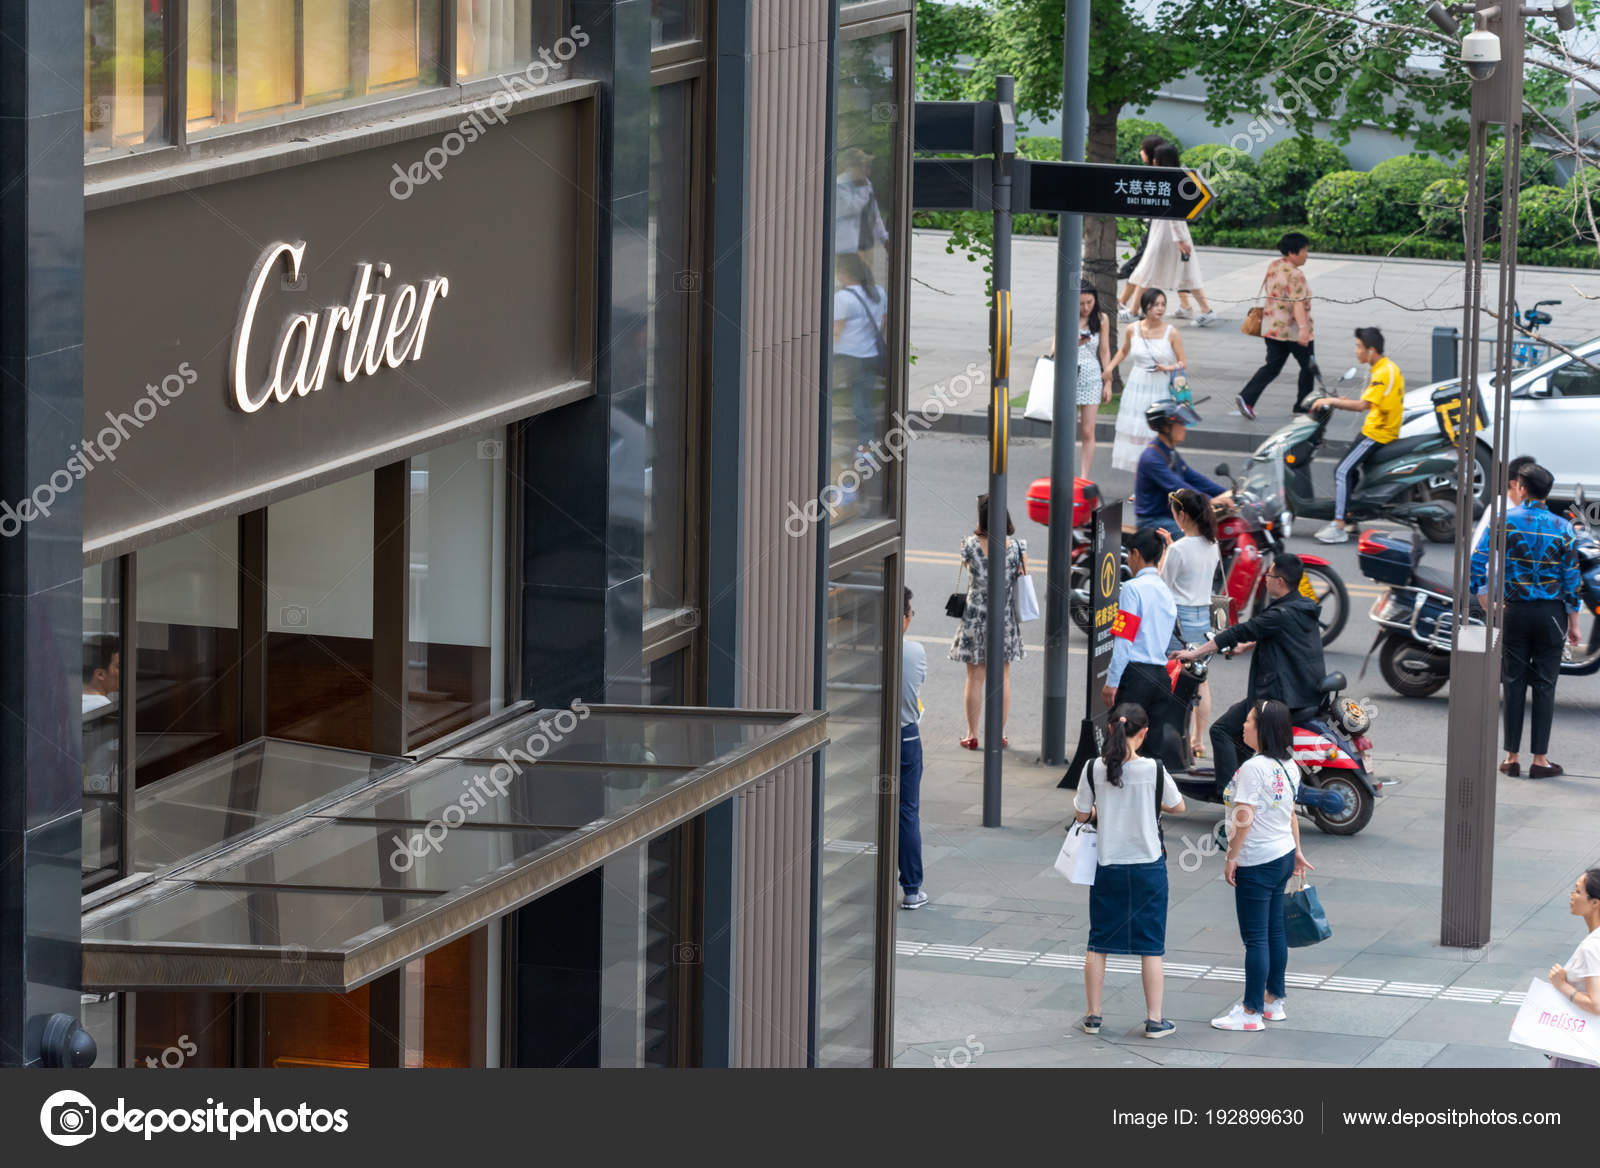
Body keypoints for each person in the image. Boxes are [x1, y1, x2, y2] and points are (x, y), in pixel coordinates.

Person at [1074, 703, 1186, 1039]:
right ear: (1144, 732)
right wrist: (1148, 801)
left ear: (1110, 729)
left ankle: (1093, 1017)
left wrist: (1100, 810)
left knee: (1098, 943)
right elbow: (1179, 806)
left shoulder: (1093, 768)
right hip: (1148, 867)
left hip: (1108, 865)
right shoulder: (1154, 769)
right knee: (1151, 946)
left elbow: (1081, 814)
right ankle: (1154, 1019)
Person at [1173, 553, 1326, 791]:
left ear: (1281, 582)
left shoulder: (1279, 614)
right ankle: (1246, 782)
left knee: (1221, 730)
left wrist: (1194, 654)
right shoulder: (1302, 607)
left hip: (1279, 696)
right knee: (1240, 731)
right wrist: (1249, 645)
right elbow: (1282, 636)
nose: (1266, 579)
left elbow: (1238, 631)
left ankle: (1229, 796)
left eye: (1270, 575)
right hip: (1303, 691)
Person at [1470, 461, 1582, 779]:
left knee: (1513, 682)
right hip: (1551, 614)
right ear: (1547, 493)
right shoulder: (1563, 528)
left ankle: (1511, 757)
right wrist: (1573, 624)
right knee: (1545, 686)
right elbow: (1571, 580)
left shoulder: (1503, 521)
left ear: (1521, 488)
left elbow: (1478, 562)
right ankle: (1540, 760)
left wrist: (1480, 600)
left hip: (1513, 610)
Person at [1211, 701, 1314, 1032]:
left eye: (1250, 722)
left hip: (1257, 860)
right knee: (1274, 931)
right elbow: (1290, 814)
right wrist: (1297, 850)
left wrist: (1231, 857)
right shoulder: (1289, 764)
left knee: (1255, 938)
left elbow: (1244, 817)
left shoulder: (1254, 768)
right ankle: (1274, 1001)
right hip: (1282, 854)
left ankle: (1251, 1012)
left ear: (1264, 729)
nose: (1244, 726)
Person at [1311, 328, 1407, 543]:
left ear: (1371, 350)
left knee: (1342, 471)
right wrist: (1341, 400)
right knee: (1350, 470)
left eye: (1358, 347)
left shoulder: (1383, 373)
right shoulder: (1385, 367)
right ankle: (1351, 518)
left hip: (1378, 433)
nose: (1356, 351)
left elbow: (1363, 405)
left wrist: (1332, 402)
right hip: (1378, 428)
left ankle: (1339, 525)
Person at [950, 495, 1027, 750]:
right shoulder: (1016, 547)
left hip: (974, 616)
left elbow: (966, 568)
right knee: (1002, 676)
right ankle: (999, 734)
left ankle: (972, 734)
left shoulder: (969, 545)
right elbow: (1023, 576)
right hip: (1003, 616)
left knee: (974, 677)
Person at [1122, 145, 1216, 327]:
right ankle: (1206, 310)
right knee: (1182, 274)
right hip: (1169, 232)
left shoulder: (1169, 178)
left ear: (1159, 159)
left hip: (1168, 234)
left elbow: (1174, 212)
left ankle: (1133, 311)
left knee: (1146, 270)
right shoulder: (1179, 176)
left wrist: (1180, 239)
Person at [1158, 488, 1222, 757]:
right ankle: (1198, 740)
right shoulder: (1212, 543)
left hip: (1179, 618)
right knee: (1200, 680)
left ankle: (1174, 736)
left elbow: (1163, 585)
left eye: (1174, 512)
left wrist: (1166, 550)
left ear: (1182, 514)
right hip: (1203, 617)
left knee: (1174, 675)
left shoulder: (1178, 550)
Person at [1236, 233, 1315, 420]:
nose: (1306, 255)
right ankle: (1303, 406)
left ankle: (1247, 397)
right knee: (1308, 367)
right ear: (1292, 252)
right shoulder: (1296, 274)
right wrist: (1303, 329)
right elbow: (1297, 303)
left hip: (1272, 327)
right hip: (1293, 330)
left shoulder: (1275, 265)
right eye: (1304, 250)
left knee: (1272, 366)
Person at [1104, 530, 1179, 725]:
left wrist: (1112, 682)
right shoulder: (1166, 590)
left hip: (1136, 677)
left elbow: (1124, 639)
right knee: (1153, 745)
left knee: (1122, 743)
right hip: (1161, 677)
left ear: (1136, 553)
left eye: (1128, 555)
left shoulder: (1132, 588)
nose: (1128, 560)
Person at [1107, 289, 1187, 472]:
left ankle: (1157, 474)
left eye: (1163, 305)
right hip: (1137, 386)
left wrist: (1167, 368)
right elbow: (1124, 351)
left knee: (1154, 433)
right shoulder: (1132, 329)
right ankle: (1140, 479)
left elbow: (1183, 363)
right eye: (1155, 305)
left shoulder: (1171, 332)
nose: (1160, 309)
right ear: (1145, 307)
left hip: (1160, 387)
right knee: (1136, 433)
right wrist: (1110, 368)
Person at [1134, 399, 1229, 538]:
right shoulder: (1152, 458)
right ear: (1166, 427)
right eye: (1180, 423)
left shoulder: (1169, 452)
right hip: (1154, 521)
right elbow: (1178, 487)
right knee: (1199, 537)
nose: (1184, 427)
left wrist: (1226, 493)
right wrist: (1209, 501)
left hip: (1170, 516)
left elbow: (1195, 478)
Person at [1049, 281, 1114, 476]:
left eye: (1089, 302)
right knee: (1066, 429)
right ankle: (1063, 474)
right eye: (1081, 303)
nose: (1086, 307)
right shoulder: (1065, 316)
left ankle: (1084, 476)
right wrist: (1073, 342)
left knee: (1087, 430)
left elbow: (1104, 351)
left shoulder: (1102, 319)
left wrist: (1108, 381)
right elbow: (1053, 350)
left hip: (1091, 375)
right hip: (1068, 376)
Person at [833, 253, 889, 454]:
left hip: (846, 357)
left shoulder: (842, 298)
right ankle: (866, 446)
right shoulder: (878, 293)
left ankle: (828, 438)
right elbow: (883, 322)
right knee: (862, 403)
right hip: (869, 355)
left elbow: (836, 331)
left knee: (824, 396)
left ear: (843, 273)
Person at [1546, 867, 1600, 1066]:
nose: (1571, 896)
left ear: (1594, 903)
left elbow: (1596, 1004)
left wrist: (1562, 985)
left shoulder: (1593, 946)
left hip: (1582, 1050)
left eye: (1578, 892)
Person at [1117, 135, 1168, 322]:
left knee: (1143, 267)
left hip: (1157, 229)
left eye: (1142, 149)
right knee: (1144, 266)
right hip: (1153, 227)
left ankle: (1131, 309)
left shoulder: (1160, 175)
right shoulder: (1155, 173)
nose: (1139, 152)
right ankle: (1125, 302)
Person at [899, 588, 928, 910]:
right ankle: (911, 888)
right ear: (904, 617)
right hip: (906, 738)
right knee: (906, 811)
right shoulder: (915, 651)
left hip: (868, 739)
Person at [835, 145, 888, 260]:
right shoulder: (840, 184)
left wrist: (884, 238)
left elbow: (874, 213)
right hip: (845, 248)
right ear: (852, 167)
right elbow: (850, 208)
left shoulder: (865, 183)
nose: (867, 170)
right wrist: (863, 189)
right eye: (864, 165)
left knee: (867, 277)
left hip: (866, 245)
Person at [82, 634, 120, 715]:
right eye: (119, 667)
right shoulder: (104, 709)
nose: (127, 671)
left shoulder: (70, 702)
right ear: (100, 674)